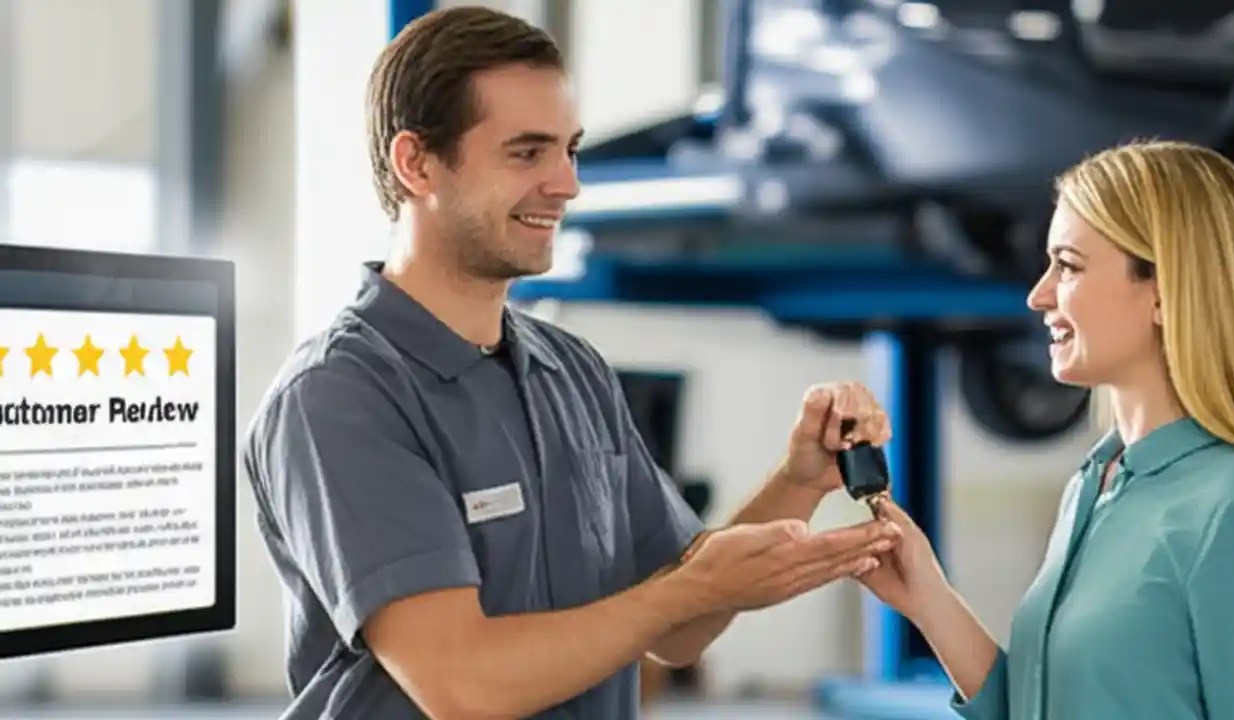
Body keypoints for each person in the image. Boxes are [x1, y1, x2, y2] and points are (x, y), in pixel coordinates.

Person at [242, 7, 901, 719]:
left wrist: (798, 481)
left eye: (569, 151)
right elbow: (462, 685)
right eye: (527, 154)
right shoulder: (339, 397)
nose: (566, 184)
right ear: (417, 163)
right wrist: (687, 590)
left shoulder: (571, 372)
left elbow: (678, 628)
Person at [857, 139, 1234, 719]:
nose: (1039, 295)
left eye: (1069, 266)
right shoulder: (1094, 485)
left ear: (1164, 290)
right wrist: (927, 597)